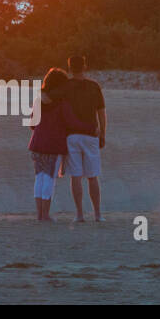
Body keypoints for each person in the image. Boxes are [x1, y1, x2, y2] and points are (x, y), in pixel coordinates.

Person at [28, 68, 96, 221]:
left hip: (37, 145)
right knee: (49, 180)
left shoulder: (39, 100)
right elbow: (72, 123)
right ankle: (45, 214)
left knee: (39, 178)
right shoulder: (62, 103)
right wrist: (91, 127)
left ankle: (40, 214)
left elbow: (32, 124)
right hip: (53, 146)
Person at [64, 55, 106, 222]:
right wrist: (103, 133)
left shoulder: (65, 87)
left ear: (69, 68)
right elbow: (101, 113)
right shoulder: (94, 86)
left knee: (75, 176)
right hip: (90, 135)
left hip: (72, 136)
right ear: (84, 67)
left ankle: (79, 214)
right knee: (92, 176)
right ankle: (97, 214)